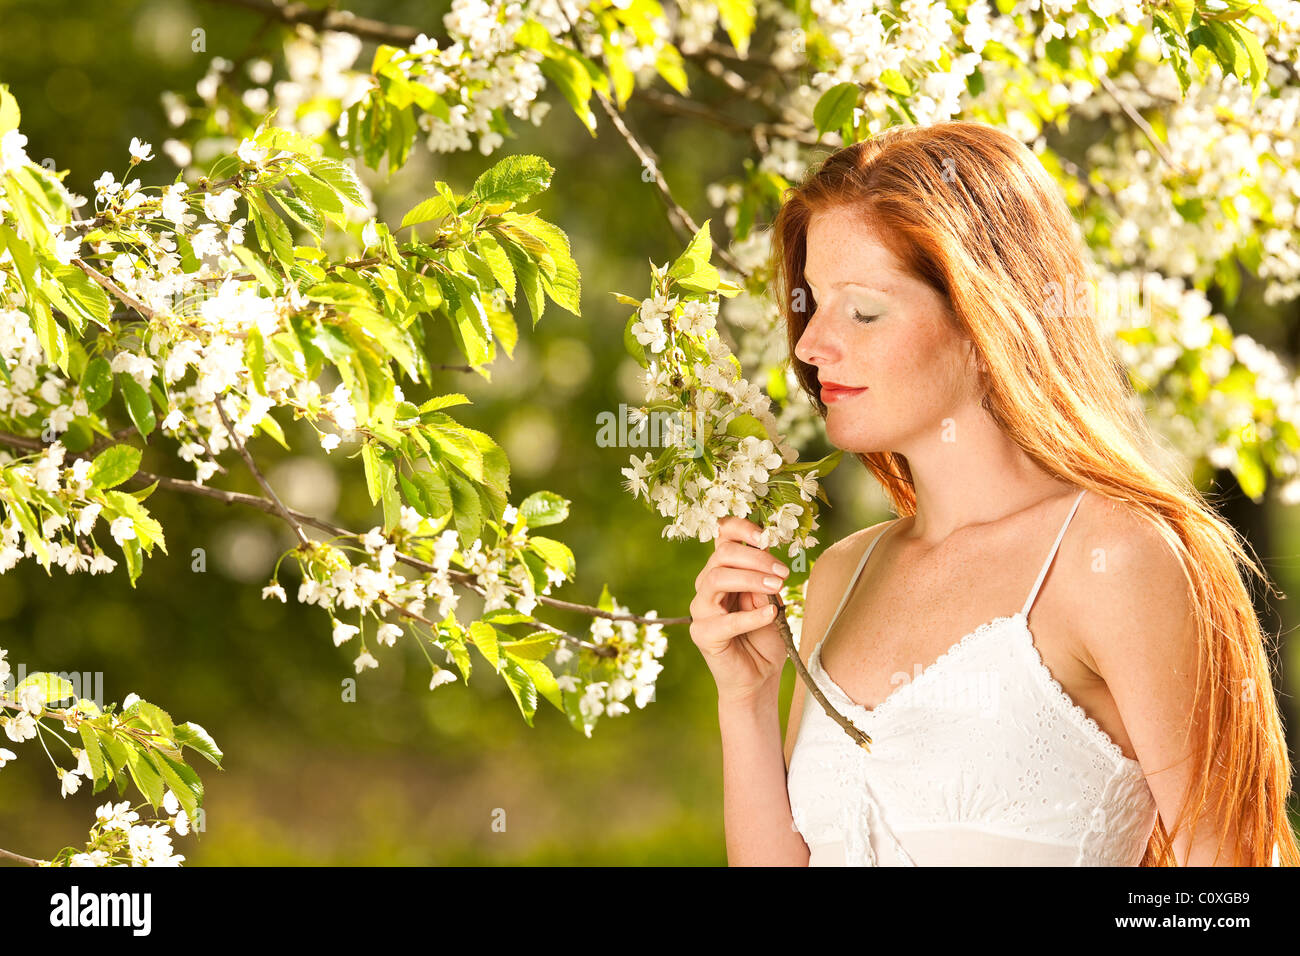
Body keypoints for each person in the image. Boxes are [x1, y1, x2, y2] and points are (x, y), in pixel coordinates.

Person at [689, 121, 1297, 866]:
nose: (812, 346)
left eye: (864, 310)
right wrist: (745, 701)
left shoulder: (1116, 557)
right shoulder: (841, 576)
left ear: (987, 325)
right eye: (812, 303)